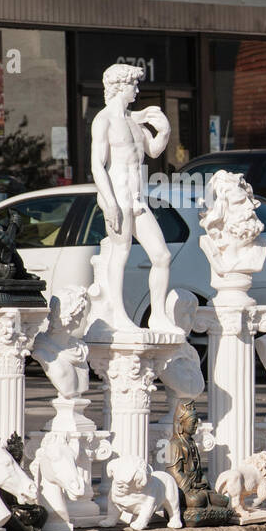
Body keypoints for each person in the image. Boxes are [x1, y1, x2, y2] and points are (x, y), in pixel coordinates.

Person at [89, 63, 175, 332]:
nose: (137, 90)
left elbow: (153, 151)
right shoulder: (104, 120)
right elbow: (96, 166)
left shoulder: (133, 121)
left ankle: (158, 316)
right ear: (117, 87)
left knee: (162, 256)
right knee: (120, 253)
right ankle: (118, 316)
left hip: (137, 201)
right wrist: (110, 202)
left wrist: (165, 131)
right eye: (133, 85)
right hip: (118, 197)